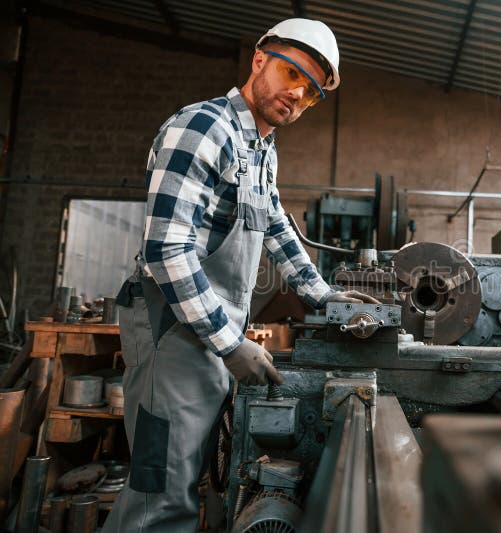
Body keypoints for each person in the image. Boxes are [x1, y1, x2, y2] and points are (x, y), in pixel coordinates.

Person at [102, 18, 377, 532]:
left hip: (202, 337)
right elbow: (166, 250)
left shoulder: (261, 149)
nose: (297, 93)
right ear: (259, 60)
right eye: (292, 73)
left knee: (181, 491)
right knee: (158, 500)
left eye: (312, 92)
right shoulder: (205, 127)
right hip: (171, 336)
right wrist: (231, 344)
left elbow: (274, 223)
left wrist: (325, 296)